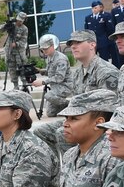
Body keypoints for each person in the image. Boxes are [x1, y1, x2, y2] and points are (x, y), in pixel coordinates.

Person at [34, 29, 118, 158]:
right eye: (71, 43)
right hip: (80, 120)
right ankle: (57, 172)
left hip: (97, 124)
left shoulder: (106, 72)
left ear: (92, 45)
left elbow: (111, 111)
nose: (73, 46)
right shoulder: (78, 72)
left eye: (78, 42)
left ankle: (77, 168)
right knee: (41, 131)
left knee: (63, 133)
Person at [34, 34, 73, 116]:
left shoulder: (60, 59)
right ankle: (65, 109)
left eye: (46, 48)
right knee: (50, 113)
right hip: (55, 87)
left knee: (48, 95)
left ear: (52, 46)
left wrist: (43, 82)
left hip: (65, 85)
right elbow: (51, 72)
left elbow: (59, 77)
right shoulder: (49, 57)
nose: (44, 51)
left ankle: (70, 104)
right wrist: (41, 71)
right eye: (42, 49)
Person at [0, 11, 29, 90]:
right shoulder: (12, 24)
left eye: (21, 21)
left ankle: (25, 84)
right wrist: (6, 25)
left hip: (19, 51)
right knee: (11, 68)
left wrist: (16, 44)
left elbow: (24, 41)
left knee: (22, 67)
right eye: (18, 20)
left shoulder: (24, 29)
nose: (19, 22)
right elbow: (0, 30)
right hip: (9, 51)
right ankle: (15, 85)